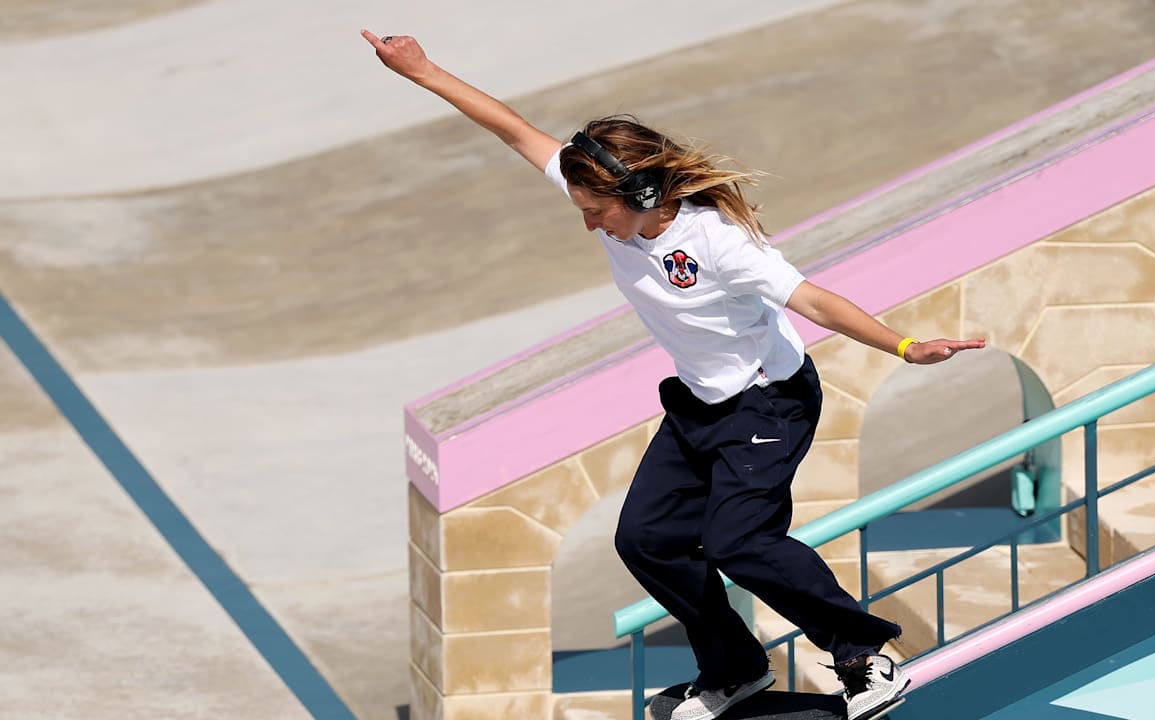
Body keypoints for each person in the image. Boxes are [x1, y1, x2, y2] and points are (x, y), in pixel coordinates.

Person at [362, 29, 985, 720]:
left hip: (769, 403)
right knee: (646, 540)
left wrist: (904, 347)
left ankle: (865, 658)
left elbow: (812, 299)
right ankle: (735, 670)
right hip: (701, 403)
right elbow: (512, 129)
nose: (590, 226)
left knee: (739, 540)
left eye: (597, 213)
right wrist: (420, 70)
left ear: (639, 192)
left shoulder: (718, 243)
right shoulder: (604, 192)